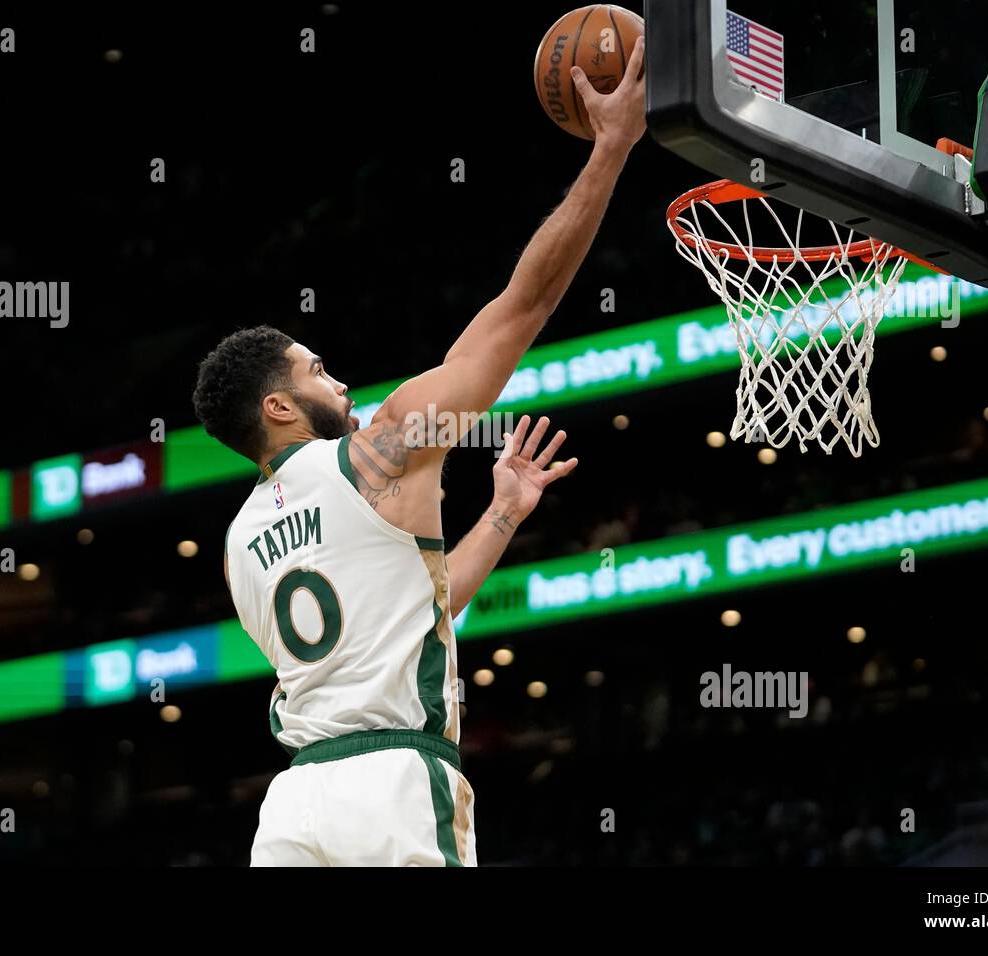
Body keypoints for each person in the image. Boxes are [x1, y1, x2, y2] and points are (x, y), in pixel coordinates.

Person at [191, 41, 648, 866]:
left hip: (294, 805)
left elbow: (405, 613)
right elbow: (521, 310)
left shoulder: (237, 545)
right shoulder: (386, 452)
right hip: (393, 785)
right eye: (319, 371)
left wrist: (502, 515)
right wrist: (612, 149)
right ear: (280, 406)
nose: (344, 384)